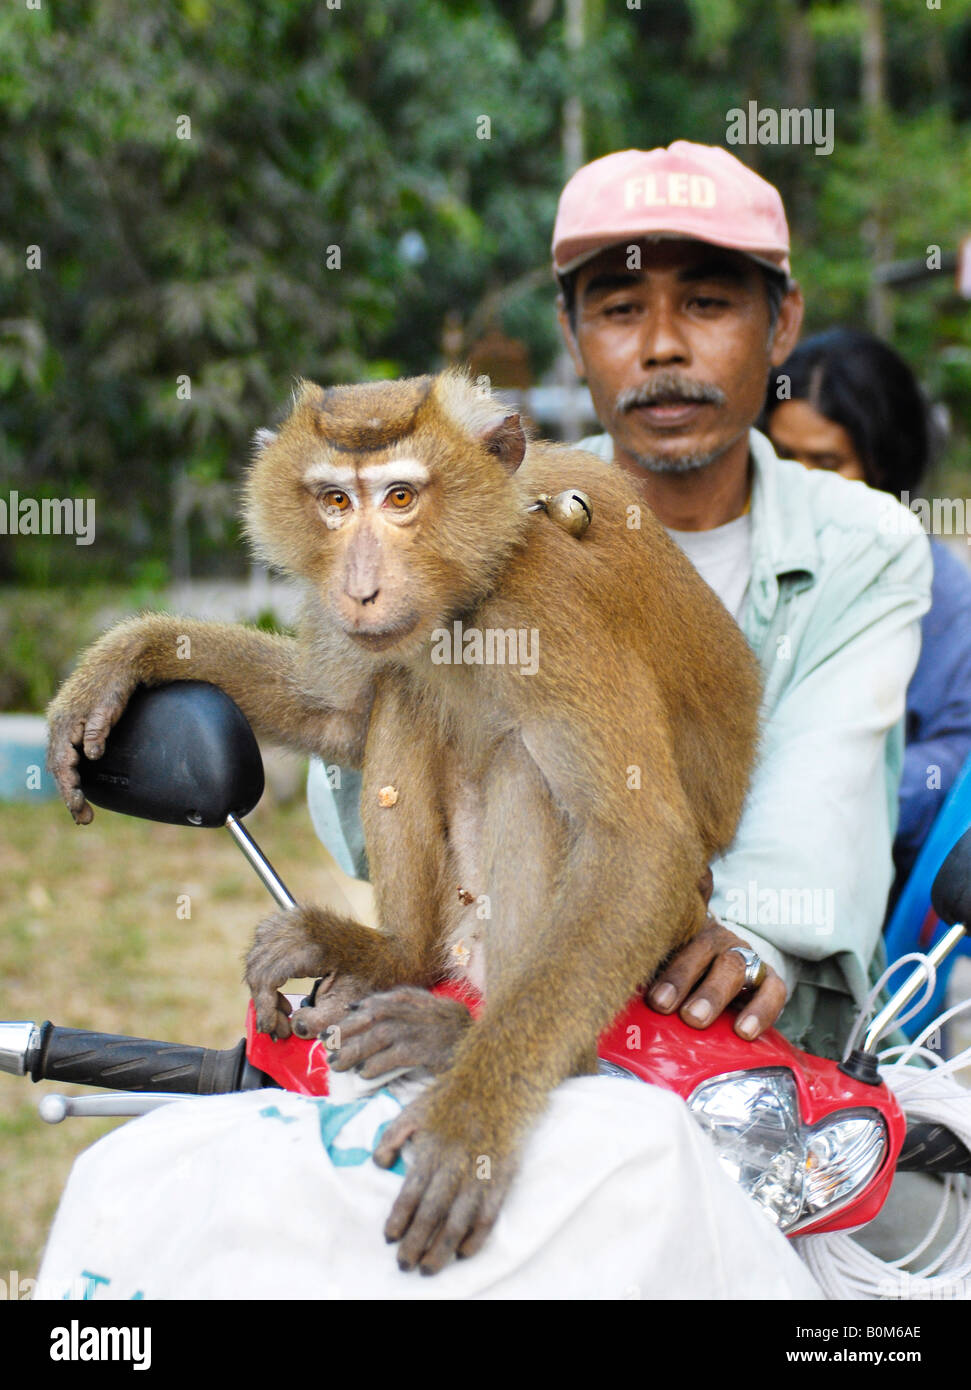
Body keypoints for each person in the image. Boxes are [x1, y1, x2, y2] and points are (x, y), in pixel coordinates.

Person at [309, 142, 932, 1061]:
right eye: (619, 308)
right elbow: (388, 807)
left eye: (710, 303)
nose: (662, 345)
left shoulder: (862, 543)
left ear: (783, 322)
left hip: (743, 1052)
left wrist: (751, 935)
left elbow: (823, 792)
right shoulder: (473, 514)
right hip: (482, 999)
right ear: (572, 336)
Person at [764, 329, 971, 896]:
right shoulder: (752, 558)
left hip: (863, 882)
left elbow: (956, 757)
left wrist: (825, 788)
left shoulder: (939, 592)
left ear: (886, 464)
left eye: (828, 461)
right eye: (784, 457)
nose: (800, 483)